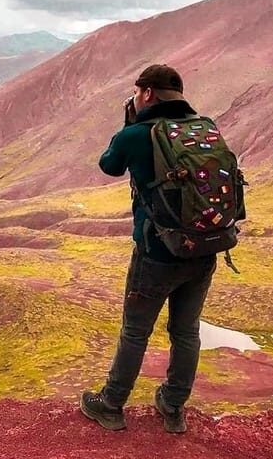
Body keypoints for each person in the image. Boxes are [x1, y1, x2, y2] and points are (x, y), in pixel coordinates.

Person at [79, 64, 218, 434]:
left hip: (157, 252)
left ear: (147, 94)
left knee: (135, 332)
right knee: (186, 331)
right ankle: (172, 408)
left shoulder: (138, 133)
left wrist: (129, 125)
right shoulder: (204, 128)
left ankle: (110, 405)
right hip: (203, 248)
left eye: (138, 92)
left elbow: (109, 166)